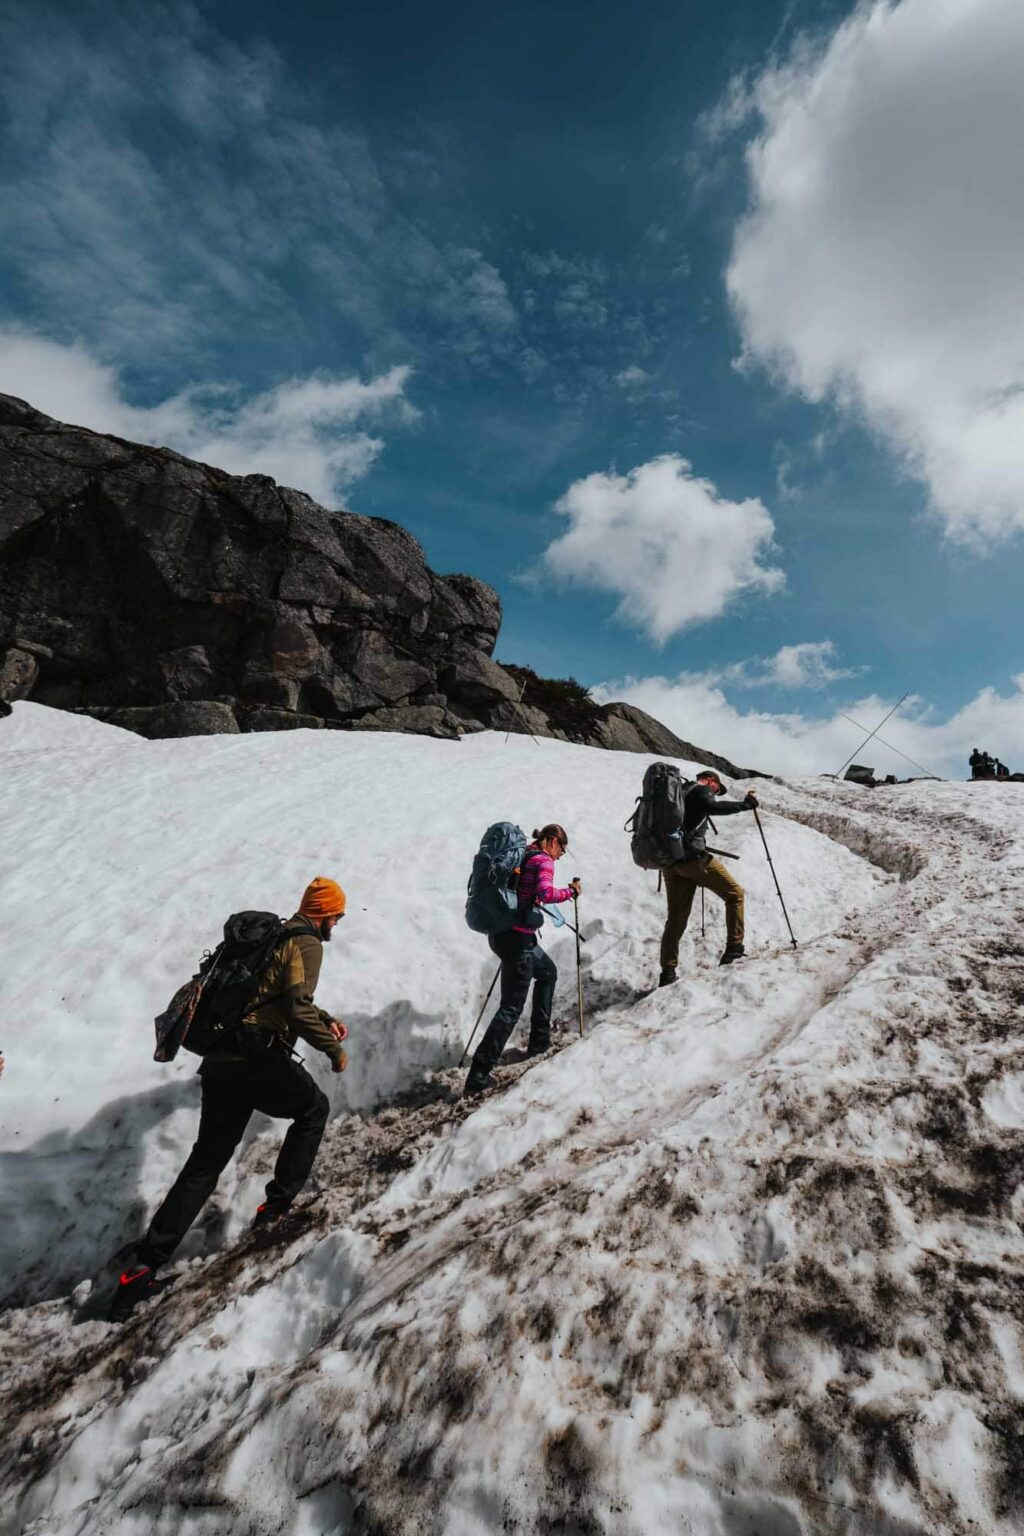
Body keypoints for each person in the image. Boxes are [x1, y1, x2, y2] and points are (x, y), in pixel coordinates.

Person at [110, 877, 349, 1321]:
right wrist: (333, 1050)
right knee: (314, 1110)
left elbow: (277, 995)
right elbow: (295, 1006)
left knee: (206, 1160)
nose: (337, 923)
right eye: (337, 915)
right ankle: (275, 1210)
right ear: (323, 913)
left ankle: (143, 1267)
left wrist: (326, 1017)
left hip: (222, 1059)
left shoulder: (274, 936)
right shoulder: (307, 943)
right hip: (257, 1056)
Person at [464, 824, 581, 1096]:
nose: (559, 857)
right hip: (518, 941)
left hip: (502, 934)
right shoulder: (542, 860)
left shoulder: (523, 854)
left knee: (547, 972)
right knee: (511, 1007)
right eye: (561, 851)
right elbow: (545, 893)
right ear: (552, 842)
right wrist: (571, 892)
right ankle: (478, 1075)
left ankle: (540, 1041)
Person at [659, 770, 759, 985]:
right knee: (735, 894)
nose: (715, 793)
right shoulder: (702, 789)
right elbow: (713, 807)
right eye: (717, 789)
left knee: (675, 920)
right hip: (694, 861)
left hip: (670, 864)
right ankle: (734, 950)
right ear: (712, 780)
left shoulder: (679, 792)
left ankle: (667, 973)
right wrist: (745, 805)